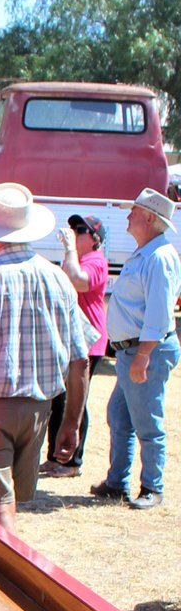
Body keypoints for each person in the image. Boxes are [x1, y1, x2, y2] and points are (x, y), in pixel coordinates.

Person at [0, 183, 94, 535]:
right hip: (39, 409)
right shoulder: (59, 279)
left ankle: (2, 568)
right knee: (5, 499)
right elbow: (80, 360)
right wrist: (70, 424)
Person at [90, 187, 181, 510]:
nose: (128, 216)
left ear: (149, 218)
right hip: (134, 351)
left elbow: (158, 313)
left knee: (146, 423)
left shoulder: (158, 257)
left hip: (144, 351)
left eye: (134, 211)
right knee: (120, 416)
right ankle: (117, 482)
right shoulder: (149, 253)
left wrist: (143, 356)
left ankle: (152, 487)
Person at [40, 214, 109, 477]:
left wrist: (69, 249)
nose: (73, 233)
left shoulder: (96, 261)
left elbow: (77, 280)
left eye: (80, 230)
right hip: (70, 339)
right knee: (60, 399)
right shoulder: (77, 259)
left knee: (76, 400)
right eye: (72, 228)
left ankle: (72, 462)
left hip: (89, 341)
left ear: (95, 239)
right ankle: (55, 456)